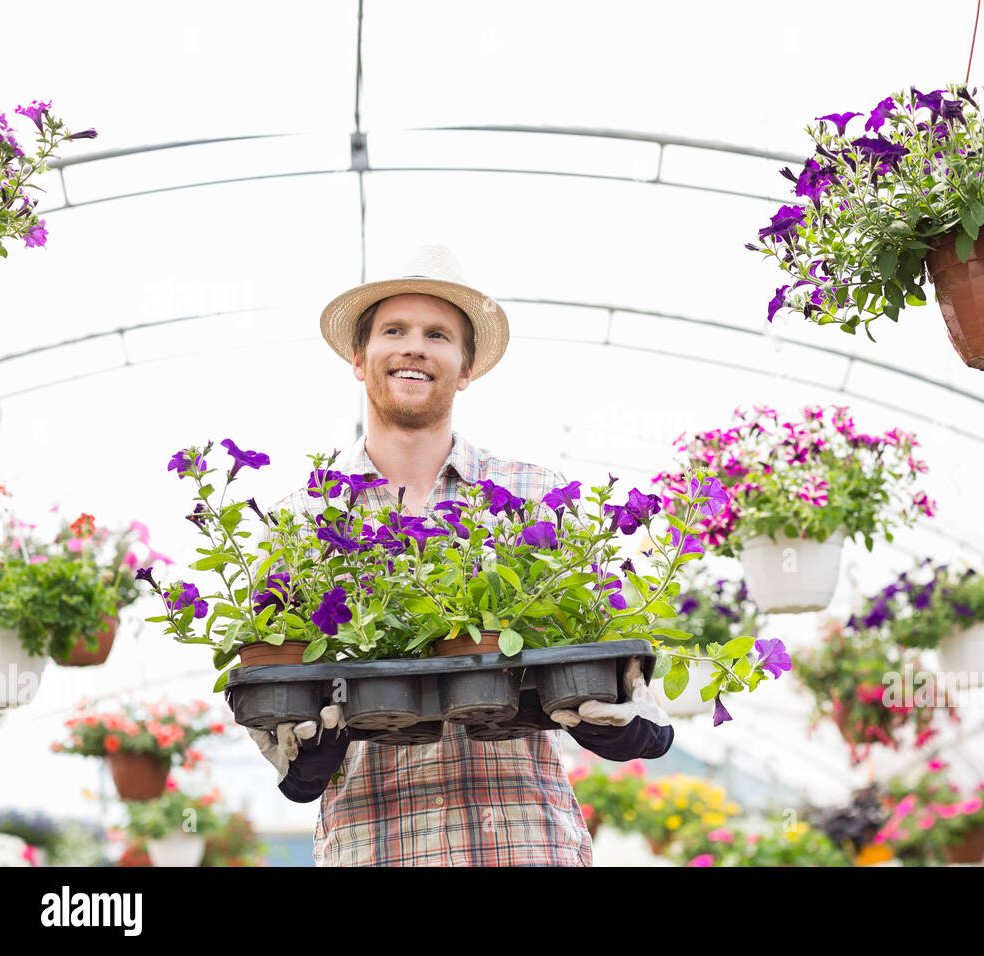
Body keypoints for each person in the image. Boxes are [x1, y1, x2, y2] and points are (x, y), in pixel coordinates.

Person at [246, 246, 674, 866]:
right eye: (395, 331)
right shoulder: (305, 519)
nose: (415, 347)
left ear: (466, 368)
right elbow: (281, 723)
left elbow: (624, 684)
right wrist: (305, 760)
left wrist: (628, 725)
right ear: (359, 361)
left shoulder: (534, 496)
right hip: (375, 845)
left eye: (438, 335)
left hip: (526, 841)